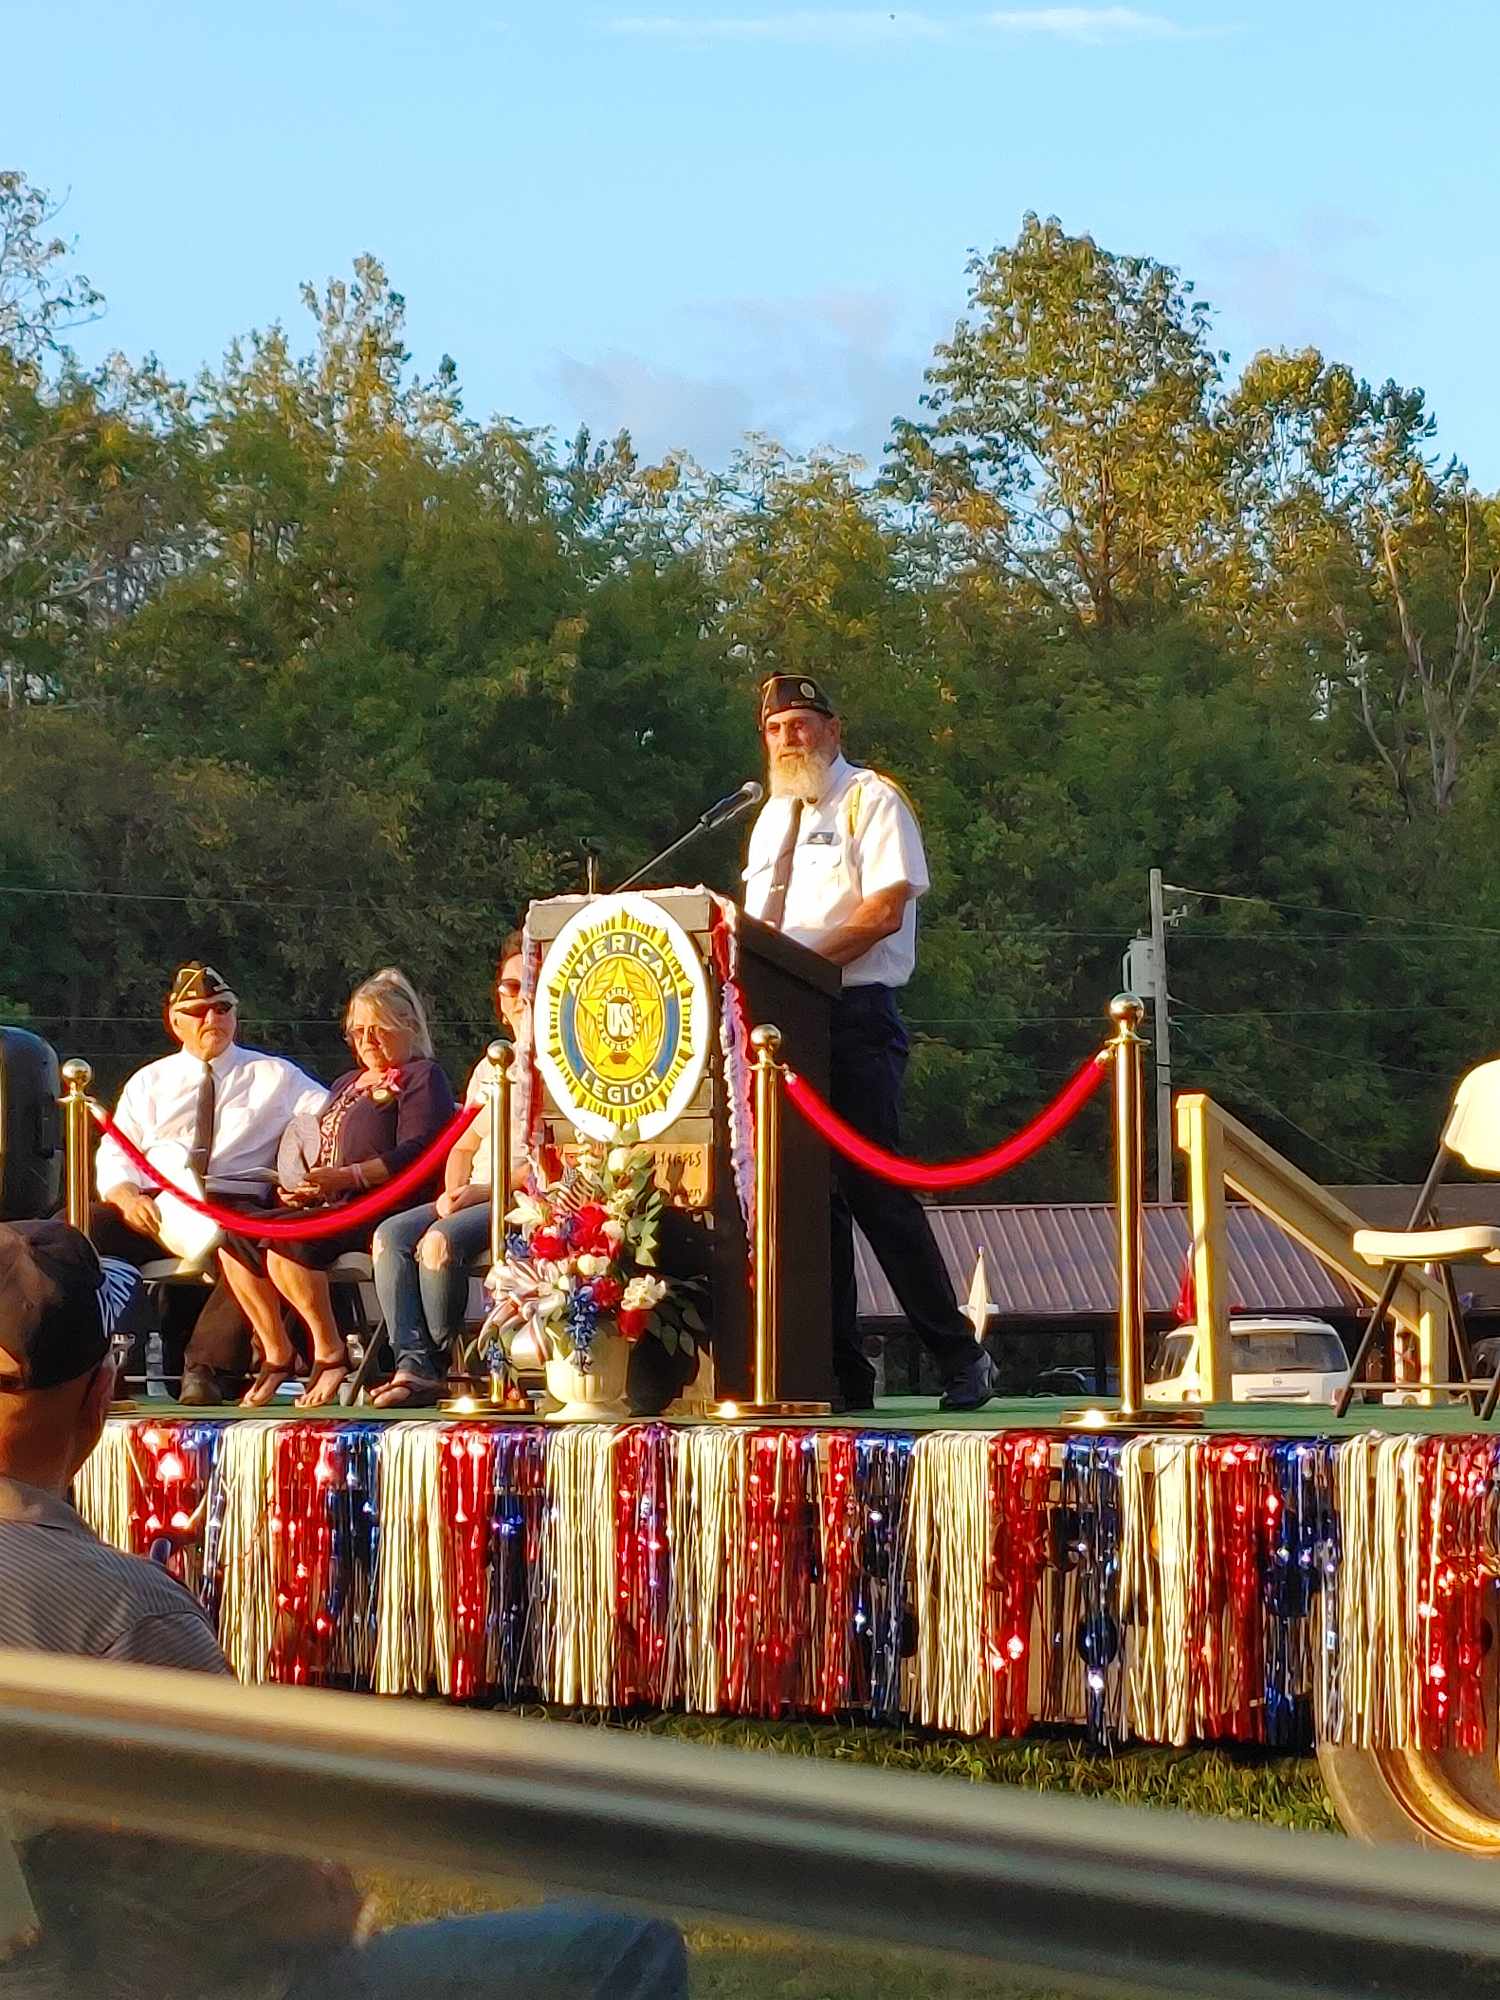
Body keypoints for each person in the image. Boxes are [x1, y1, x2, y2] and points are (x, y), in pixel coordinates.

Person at [0, 1215, 689, 2000]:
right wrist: (313, 1879)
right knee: (627, 1945)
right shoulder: (120, 1612)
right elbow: (278, 1900)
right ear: (101, 1396)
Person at [742, 675, 998, 1413]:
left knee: (874, 1193)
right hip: (776, 1032)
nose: (788, 739)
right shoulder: (768, 819)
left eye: (801, 724)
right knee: (804, 1202)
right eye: (775, 729)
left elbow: (884, 911)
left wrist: (800, 968)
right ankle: (840, 1372)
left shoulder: (871, 800)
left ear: (834, 728)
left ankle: (961, 1356)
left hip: (851, 1017)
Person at [91, 961, 325, 1407]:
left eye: (222, 1008)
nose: (212, 1019)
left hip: (235, 1202)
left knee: (250, 1241)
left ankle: (207, 1370)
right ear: (175, 1021)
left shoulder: (276, 1076)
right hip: (159, 1205)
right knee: (77, 1230)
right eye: (198, 1011)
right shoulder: (149, 1082)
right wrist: (125, 1194)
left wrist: (304, 1169)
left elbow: (330, 1118)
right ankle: (76, 1363)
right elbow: (117, 1149)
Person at [221, 969, 457, 1410]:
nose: (367, 1040)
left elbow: (418, 1152)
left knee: (288, 1244)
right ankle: (277, 1352)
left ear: (407, 1026)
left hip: (383, 1205)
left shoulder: (422, 1076)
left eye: (378, 1028)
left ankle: (329, 1352)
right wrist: (303, 1186)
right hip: (332, 1200)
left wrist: (350, 1177)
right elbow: (322, 1146)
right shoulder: (347, 1083)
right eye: (358, 1031)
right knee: (236, 1237)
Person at [369, 934, 530, 1409]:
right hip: (473, 1192)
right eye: (509, 987)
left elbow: (556, 1159)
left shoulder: (563, 1068)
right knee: (390, 1235)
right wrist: (454, 1190)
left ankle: (444, 1362)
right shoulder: (489, 1067)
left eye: (529, 985)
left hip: (523, 1196)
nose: (518, 997)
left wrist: (482, 1192)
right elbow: (464, 1143)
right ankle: (411, 1365)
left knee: (438, 1242)